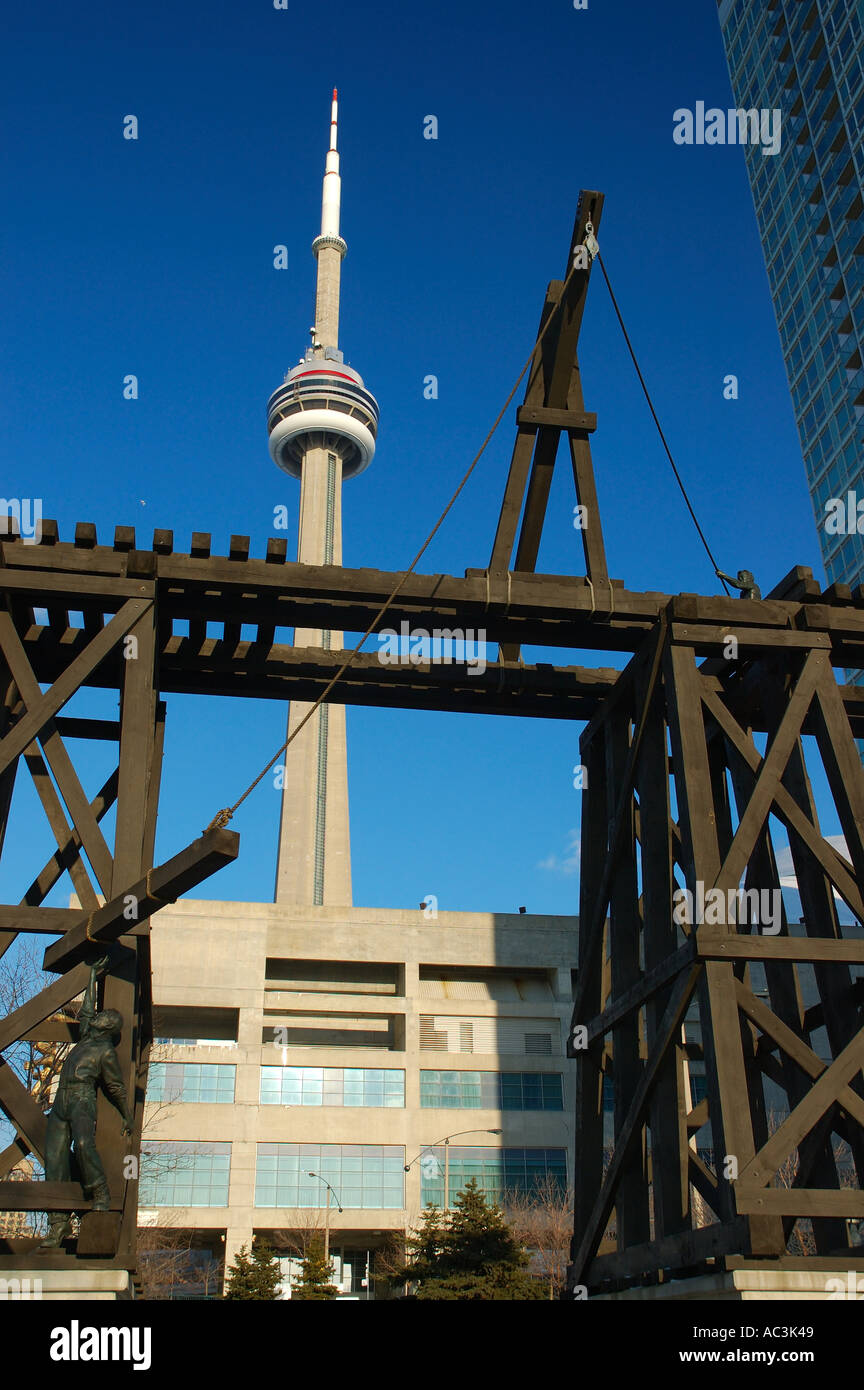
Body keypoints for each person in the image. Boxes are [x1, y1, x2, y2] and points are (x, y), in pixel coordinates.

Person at [39, 955, 133, 1248]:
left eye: (105, 1017)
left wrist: (126, 1115)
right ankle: (57, 1223)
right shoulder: (86, 1037)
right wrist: (93, 974)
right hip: (62, 1099)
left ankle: (99, 1191)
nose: (99, 1016)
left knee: (82, 1144)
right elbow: (88, 1009)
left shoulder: (104, 1051)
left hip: (81, 1098)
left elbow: (116, 1086)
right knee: (53, 1156)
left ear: (109, 1026)